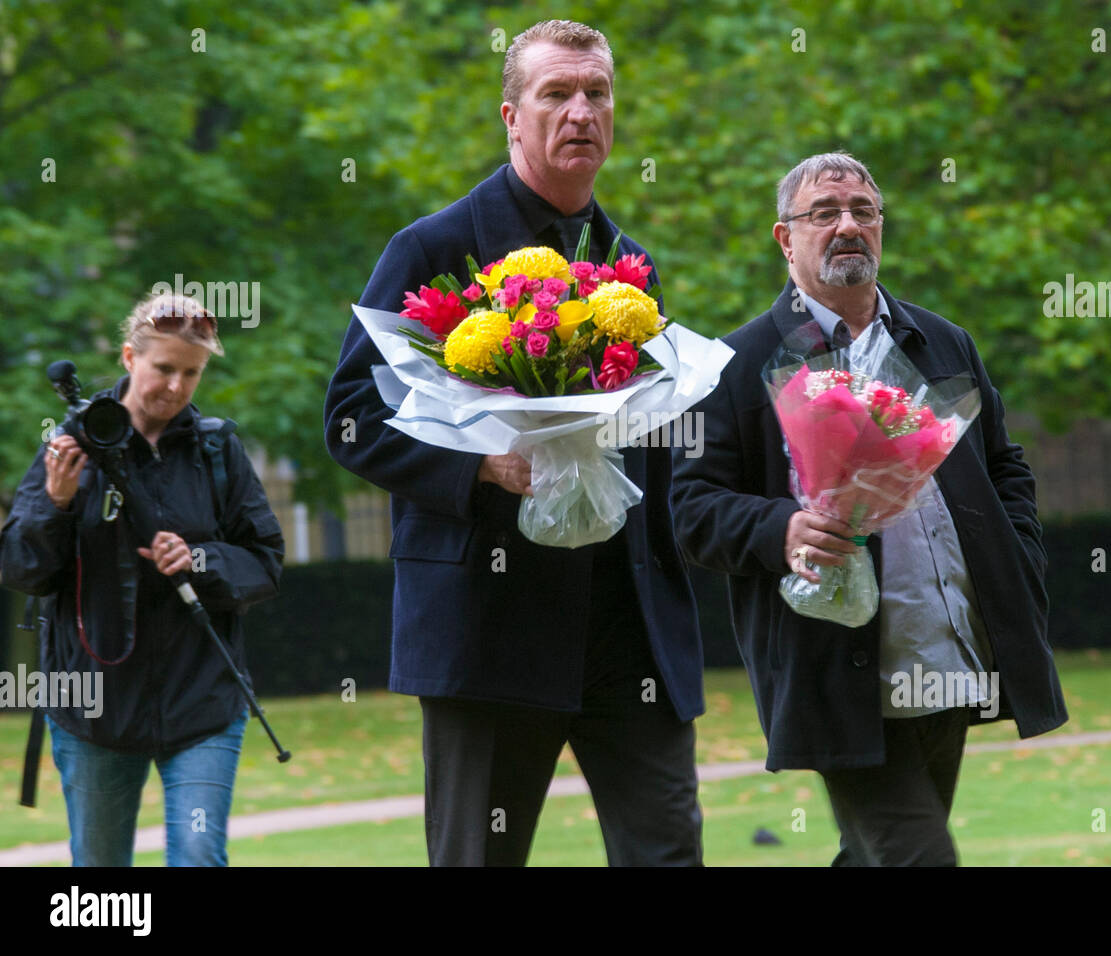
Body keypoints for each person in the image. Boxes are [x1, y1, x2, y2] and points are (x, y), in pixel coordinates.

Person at [323, 19, 704, 867]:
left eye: (597, 94)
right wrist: (483, 465)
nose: (580, 112)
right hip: (488, 631)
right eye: (556, 94)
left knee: (668, 855)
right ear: (511, 115)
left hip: (631, 630)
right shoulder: (431, 249)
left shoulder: (630, 264)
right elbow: (351, 415)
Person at [671, 152, 1069, 866]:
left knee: (876, 857)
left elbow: (1006, 467)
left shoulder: (943, 342)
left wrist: (1019, 557)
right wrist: (783, 528)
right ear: (784, 239)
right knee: (920, 857)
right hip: (838, 664)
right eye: (824, 212)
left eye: (863, 210)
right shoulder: (737, 364)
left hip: (948, 649)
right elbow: (691, 508)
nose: (848, 225)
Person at [0, 293, 284, 866]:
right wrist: (55, 504)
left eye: (191, 373)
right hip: (93, 707)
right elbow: (21, 569)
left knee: (200, 854)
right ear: (130, 358)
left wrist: (200, 559)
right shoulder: (70, 444)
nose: (176, 387)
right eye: (164, 369)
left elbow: (265, 561)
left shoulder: (217, 447)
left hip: (201, 700)